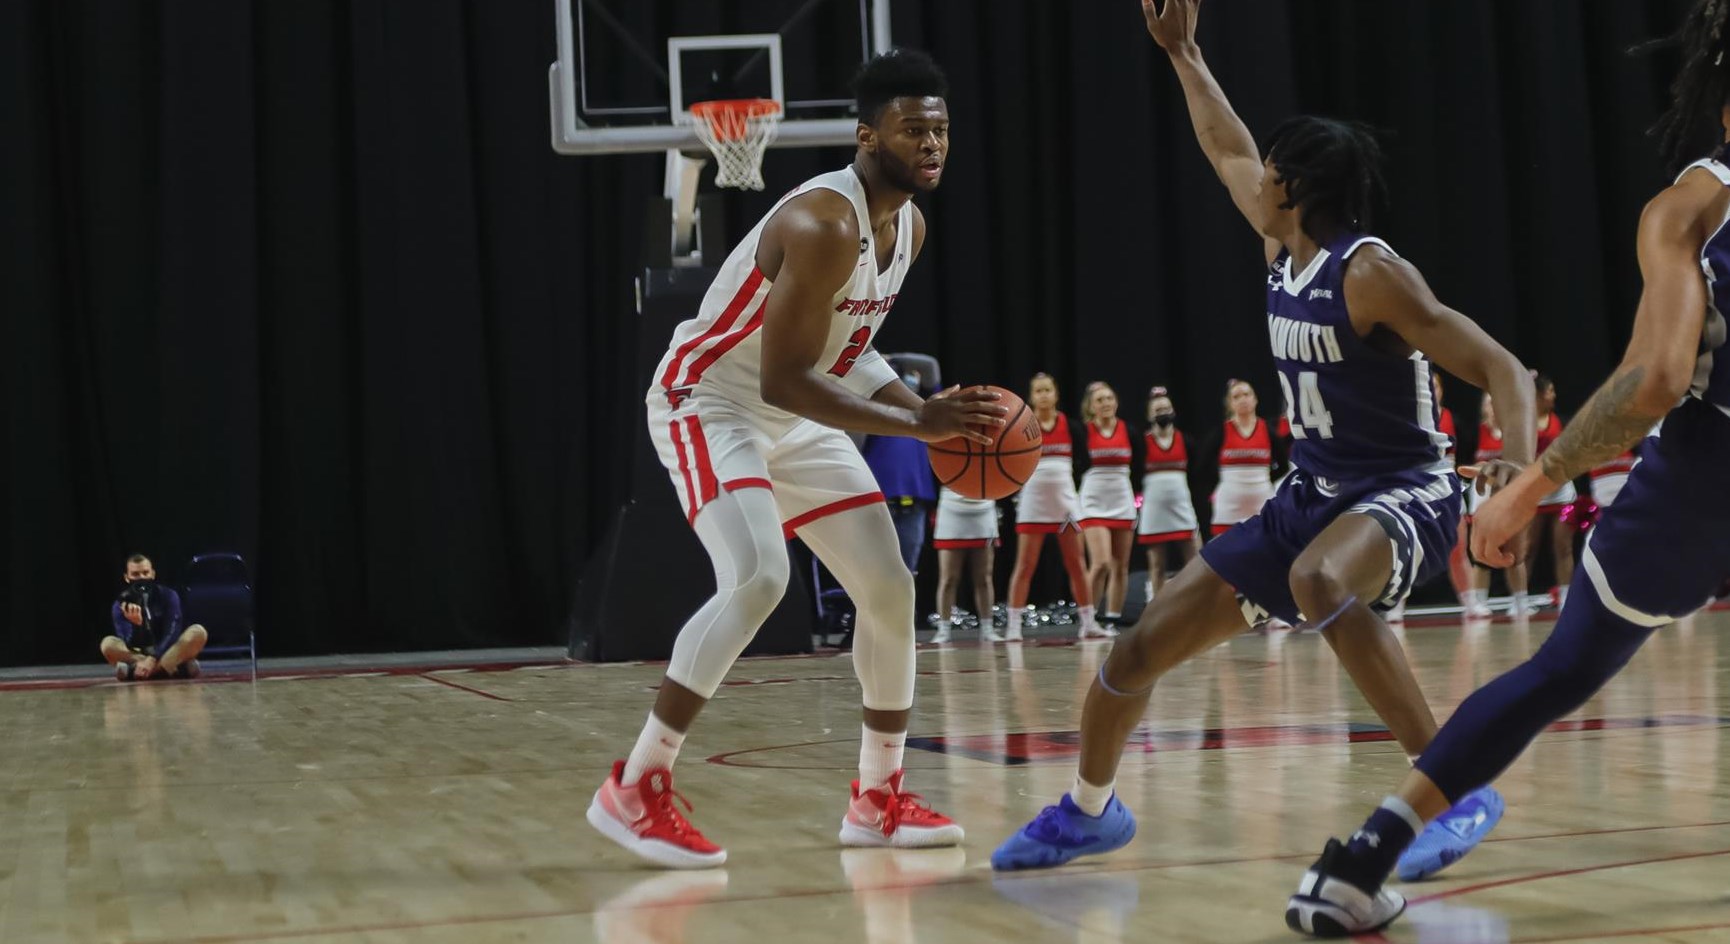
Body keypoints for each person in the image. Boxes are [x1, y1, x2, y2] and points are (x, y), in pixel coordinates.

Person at [992, 0, 1536, 881]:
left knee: (1319, 579)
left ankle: (1456, 790)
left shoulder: (1372, 274)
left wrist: (1519, 468)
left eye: (1275, 170)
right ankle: (1089, 811)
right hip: (1309, 497)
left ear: (1299, 190)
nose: (1260, 176)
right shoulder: (1281, 247)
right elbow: (1226, 147)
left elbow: (1501, 365)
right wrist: (1185, 53)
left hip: (1403, 490)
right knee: (1135, 647)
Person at [1285, 2, 1730, 931]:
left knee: (1564, 668)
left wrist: (1530, 483)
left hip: (1704, 473)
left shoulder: (1689, 209)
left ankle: (1361, 863)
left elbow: (1655, 380)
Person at [588, 49, 1001, 869]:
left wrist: (918, 407)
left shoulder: (908, 229)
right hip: (711, 401)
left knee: (889, 587)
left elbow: (848, 348)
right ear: (866, 136)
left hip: (795, 417)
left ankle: (877, 798)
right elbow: (784, 377)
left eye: (941, 130)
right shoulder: (823, 223)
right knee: (758, 576)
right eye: (912, 130)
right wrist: (918, 423)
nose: (931, 144)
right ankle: (635, 785)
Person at [1007, 373, 1110, 641]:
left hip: (1064, 500)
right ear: (1031, 397)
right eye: (1038, 391)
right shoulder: (1022, 426)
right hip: (1033, 500)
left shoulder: (1072, 426)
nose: (1043, 395)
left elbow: (1085, 461)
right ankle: (1013, 626)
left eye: (1048, 390)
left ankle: (1088, 623)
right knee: (1025, 564)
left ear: (1056, 394)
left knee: (1076, 562)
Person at [1076, 382, 1141, 629]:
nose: (1105, 403)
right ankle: (1088, 620)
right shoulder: (1084, 432)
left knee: (1120, 565)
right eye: (1100, 400)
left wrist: (1137, 497)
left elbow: (1139, 466)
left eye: (1109, 398)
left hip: (1122, 499)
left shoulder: (1129, 431)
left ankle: (1113, 619)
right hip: (1093, 501)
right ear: (1090, 406)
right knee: (1101, 562)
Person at [1460, 393, 1527, 620]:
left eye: (1497, 401)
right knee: (1480, 551)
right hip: (1482, 497)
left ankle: (1520, 602)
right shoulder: (1474, 432)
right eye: (1490, 402)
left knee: (1513, 552)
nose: (1494, 406)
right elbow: (1464, 463)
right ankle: (1479, 602)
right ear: (1484, 408)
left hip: (1509, 496)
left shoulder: (1514, 434)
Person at [1136, 387, 1201, 601]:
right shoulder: (1142, 443)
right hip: (1154, 510)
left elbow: (1196, 475)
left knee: (1194, 560)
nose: (1162, 413)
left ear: (1173, 411)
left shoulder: (1186, 441)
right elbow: (1135, 475)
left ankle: (1194, 603)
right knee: (1157, 565)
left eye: (1166, 408)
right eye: (1157, 410)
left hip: (1181, 507)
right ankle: (1157, 607)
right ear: (1149, 415)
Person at [100, 554, 207, 681]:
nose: (141, 578)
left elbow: (172, 632)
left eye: (145, 573)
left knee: (198, 632)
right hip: (140, 654)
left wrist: (153, 659)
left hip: (168, 650)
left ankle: (137, 671)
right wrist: (137, 626)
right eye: (135, 574)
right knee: (107, 644)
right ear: (127, 577)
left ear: (153, 574)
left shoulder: (168, 596)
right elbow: (128, 643)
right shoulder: (120, 605)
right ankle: (171, 669)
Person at [1523, 372, 1578, 611]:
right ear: (1537, 395)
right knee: (1528, 548)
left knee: (1563, 547)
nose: (1554, 395)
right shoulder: (1523, 423)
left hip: (1562, 492)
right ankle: (1520, 600)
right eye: (1550, 391)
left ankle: (1566, 598)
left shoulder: (1562, 422)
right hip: (1535, 493)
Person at [930, 485, 1001, 643]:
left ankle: (987, 629)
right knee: (948, 579)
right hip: (951, 506)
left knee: (984, 578)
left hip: (983, 505)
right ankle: (943, 630)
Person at [1209, 379, 1277, 536]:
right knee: (1223, 548)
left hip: (1262, 504)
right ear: (1229, 404)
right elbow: (1203, 466)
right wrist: (1226, 482)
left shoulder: (1268, 430)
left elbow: (1283, 465)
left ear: (1255, 399)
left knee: (1266, 547)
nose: (1243, 399)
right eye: (1236, 396)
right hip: (1228, 508)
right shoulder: (1221, 432)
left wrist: (1263, 481)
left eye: (1246, 394)